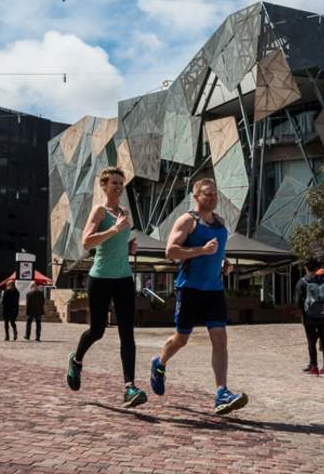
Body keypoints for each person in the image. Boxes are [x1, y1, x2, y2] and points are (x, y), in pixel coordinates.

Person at [149, 178, 247, 416]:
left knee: (220, 339)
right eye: (207, 194)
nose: (212, 198)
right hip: (190, 288)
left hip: (214, 289)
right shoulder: (188, 220)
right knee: (182, 339)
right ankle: (159, 363)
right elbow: (170, 251)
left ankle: (221, 392)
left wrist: (225, 264)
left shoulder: (220, 224)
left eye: (214, 194)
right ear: (196, 197)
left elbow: (220, 254)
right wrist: (201, 251)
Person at [65, 167, 146, 408]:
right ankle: (76, 360)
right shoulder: (100, 211)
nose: (119, 187)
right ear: (104, 185)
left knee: (127, 333)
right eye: (114, 183)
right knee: (97, 330)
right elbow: (87, 242)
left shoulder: (124, 212)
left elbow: (118, 241)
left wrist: (128, 246)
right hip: (100, 278)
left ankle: (129, 387)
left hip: (123, 278)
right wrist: (114, 230)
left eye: (121, 183)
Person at [294, 260, 324, 377]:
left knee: (311, 342)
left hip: (309, 317)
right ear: (317, 268)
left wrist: (304, 310)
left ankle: (314, 367)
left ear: (306, 268)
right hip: (323, 315)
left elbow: (297, 302)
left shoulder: (302, 282)